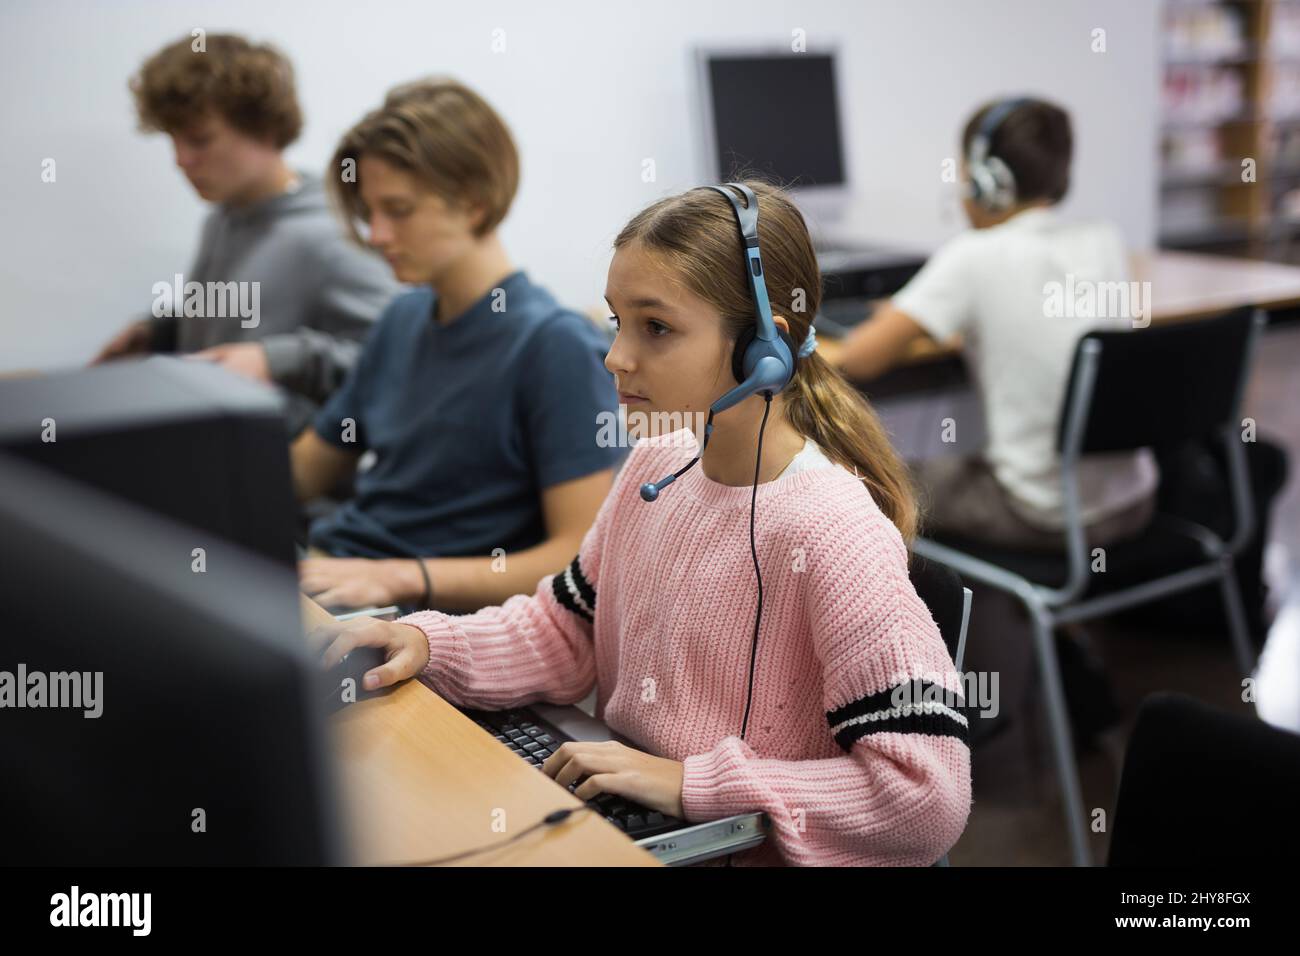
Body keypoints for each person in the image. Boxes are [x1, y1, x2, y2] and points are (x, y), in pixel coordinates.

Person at [315, 181, 972, 866]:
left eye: (655, 328)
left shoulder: (833, 530)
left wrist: (695, 783)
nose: (616, 358)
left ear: (763, 350)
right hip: (643, 823)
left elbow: (925, 798)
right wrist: (424, 641)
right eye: (616, 322)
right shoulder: (659, 464)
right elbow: (562, 632)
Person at [294, 79, 622, 612]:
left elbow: (578, 560)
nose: (376, 234)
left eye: (397, 210)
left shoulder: (554, 346)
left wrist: (401, 579)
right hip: (336, 573)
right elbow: (311, 467)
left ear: (474, 203)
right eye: (369, 211)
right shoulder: (402, 317)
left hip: (407, 614)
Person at [823, 97, 1157, 550]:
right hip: (1133, 499)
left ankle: (932, 616)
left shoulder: (974, 255)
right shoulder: (1104, 240)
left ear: (986, 182)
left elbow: (860, 359)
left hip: (1040, 516)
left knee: (875, 481)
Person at [93, 33, 398, 435]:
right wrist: (161, 330)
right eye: (174, 140)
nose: (181, 160)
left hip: (288, 483)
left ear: (266, 130)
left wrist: (278, 359)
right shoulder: (224, 217)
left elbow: (395, 363)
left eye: (200, 140)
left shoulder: (329, 238)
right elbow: (245, 310)